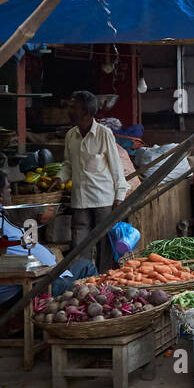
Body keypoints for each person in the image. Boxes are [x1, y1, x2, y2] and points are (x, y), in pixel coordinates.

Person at [0, 169, 96, 309]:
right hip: (25, 290)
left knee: (86, 266)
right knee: (84, 288)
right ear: (0, 194)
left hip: (45, 277)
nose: (11, 192)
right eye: (8, 188)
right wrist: (22, 264)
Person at [53, 90, 128, 273]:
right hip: (79, 199)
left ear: (87, 112)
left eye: (74, 107)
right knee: (79, 244)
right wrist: (59, 178)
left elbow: (116, 167)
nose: (69, 110)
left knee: (105, 243)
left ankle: (105, 277)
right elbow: (68, 164)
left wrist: (120, 195)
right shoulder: (71, 135)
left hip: (103, 199)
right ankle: (82, 279)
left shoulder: (104, 134)